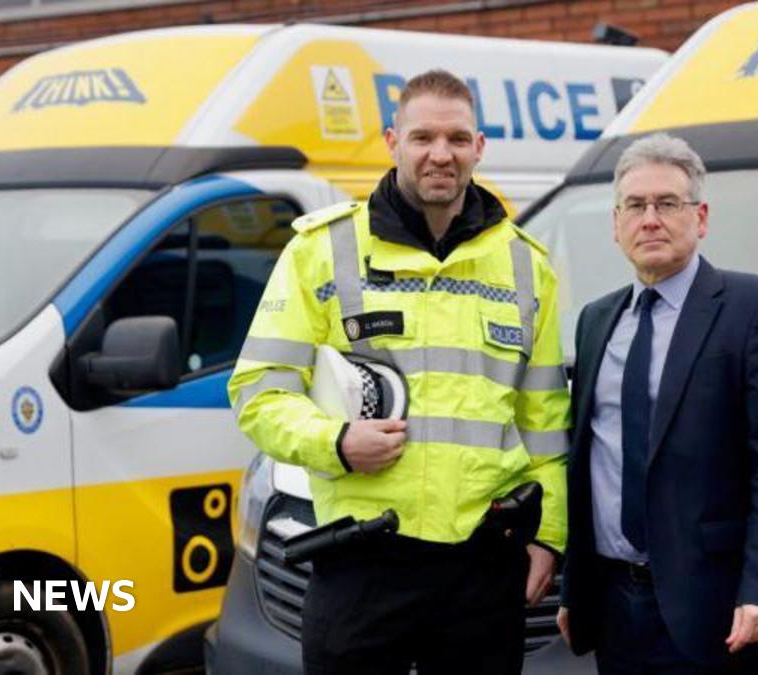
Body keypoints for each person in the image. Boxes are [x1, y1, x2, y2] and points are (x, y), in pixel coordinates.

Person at [228, 69, 570, 675]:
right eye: (423, 138)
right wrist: (336, 442)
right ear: (393, 142)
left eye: (458, 139)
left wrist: (551, 537)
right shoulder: (320, 251)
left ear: (479, 147)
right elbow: (258, 390)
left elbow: (545, 422)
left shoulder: (526, 266)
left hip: (482, 565)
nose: (442, 154)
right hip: (363, 561)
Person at [556, 133, 758, 674]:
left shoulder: (755, 308)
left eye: (667, 203)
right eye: (635, 206)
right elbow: (589, 460)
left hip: (716, 611)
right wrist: (574, 589)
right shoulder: (596, 321)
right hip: (613, 607)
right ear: (615, 224)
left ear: (701, 217)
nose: (650, 219)